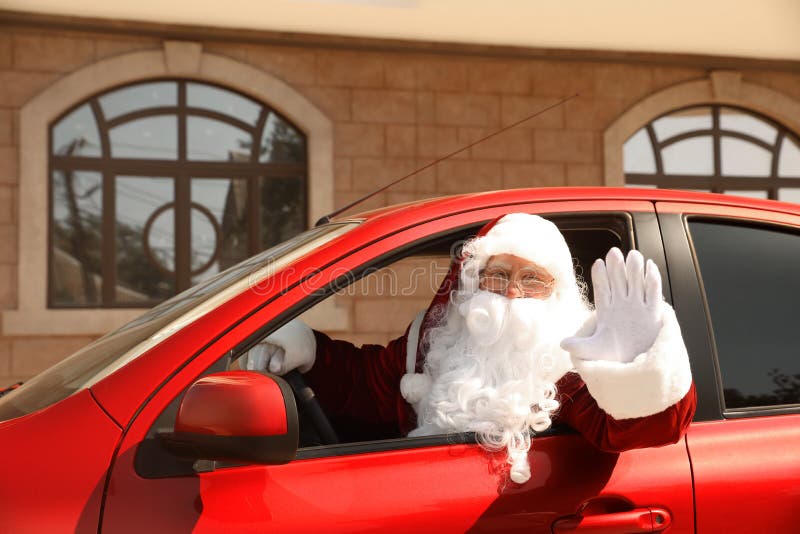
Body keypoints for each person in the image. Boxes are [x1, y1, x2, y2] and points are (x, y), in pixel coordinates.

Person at [244, 213, 696, 483]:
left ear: (555, 292)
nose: (512, 293)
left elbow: (635, 431)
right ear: (473, 282)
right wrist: (311, 351)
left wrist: (632, 364)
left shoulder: (569, 360)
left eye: (532, 279)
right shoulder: (434, 339)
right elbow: (367, 385)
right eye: (497, 276)